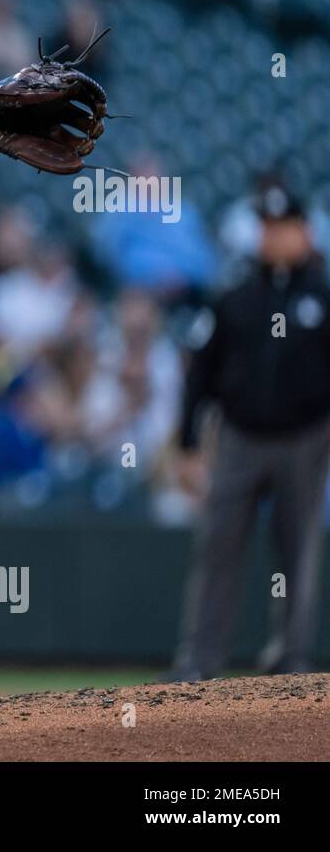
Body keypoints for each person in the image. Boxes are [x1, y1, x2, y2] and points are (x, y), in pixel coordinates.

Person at [167, 183, 330, 681]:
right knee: (218, 546)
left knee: (296, 553)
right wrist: (189, 443)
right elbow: (200, 372)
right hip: (239, 437)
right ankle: (199, 661)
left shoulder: (322, 297)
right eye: (266, 227)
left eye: (282, 227)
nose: (273, 237)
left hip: (304, 438)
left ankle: (290, 660)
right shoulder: (236, 295)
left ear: (304, 231)